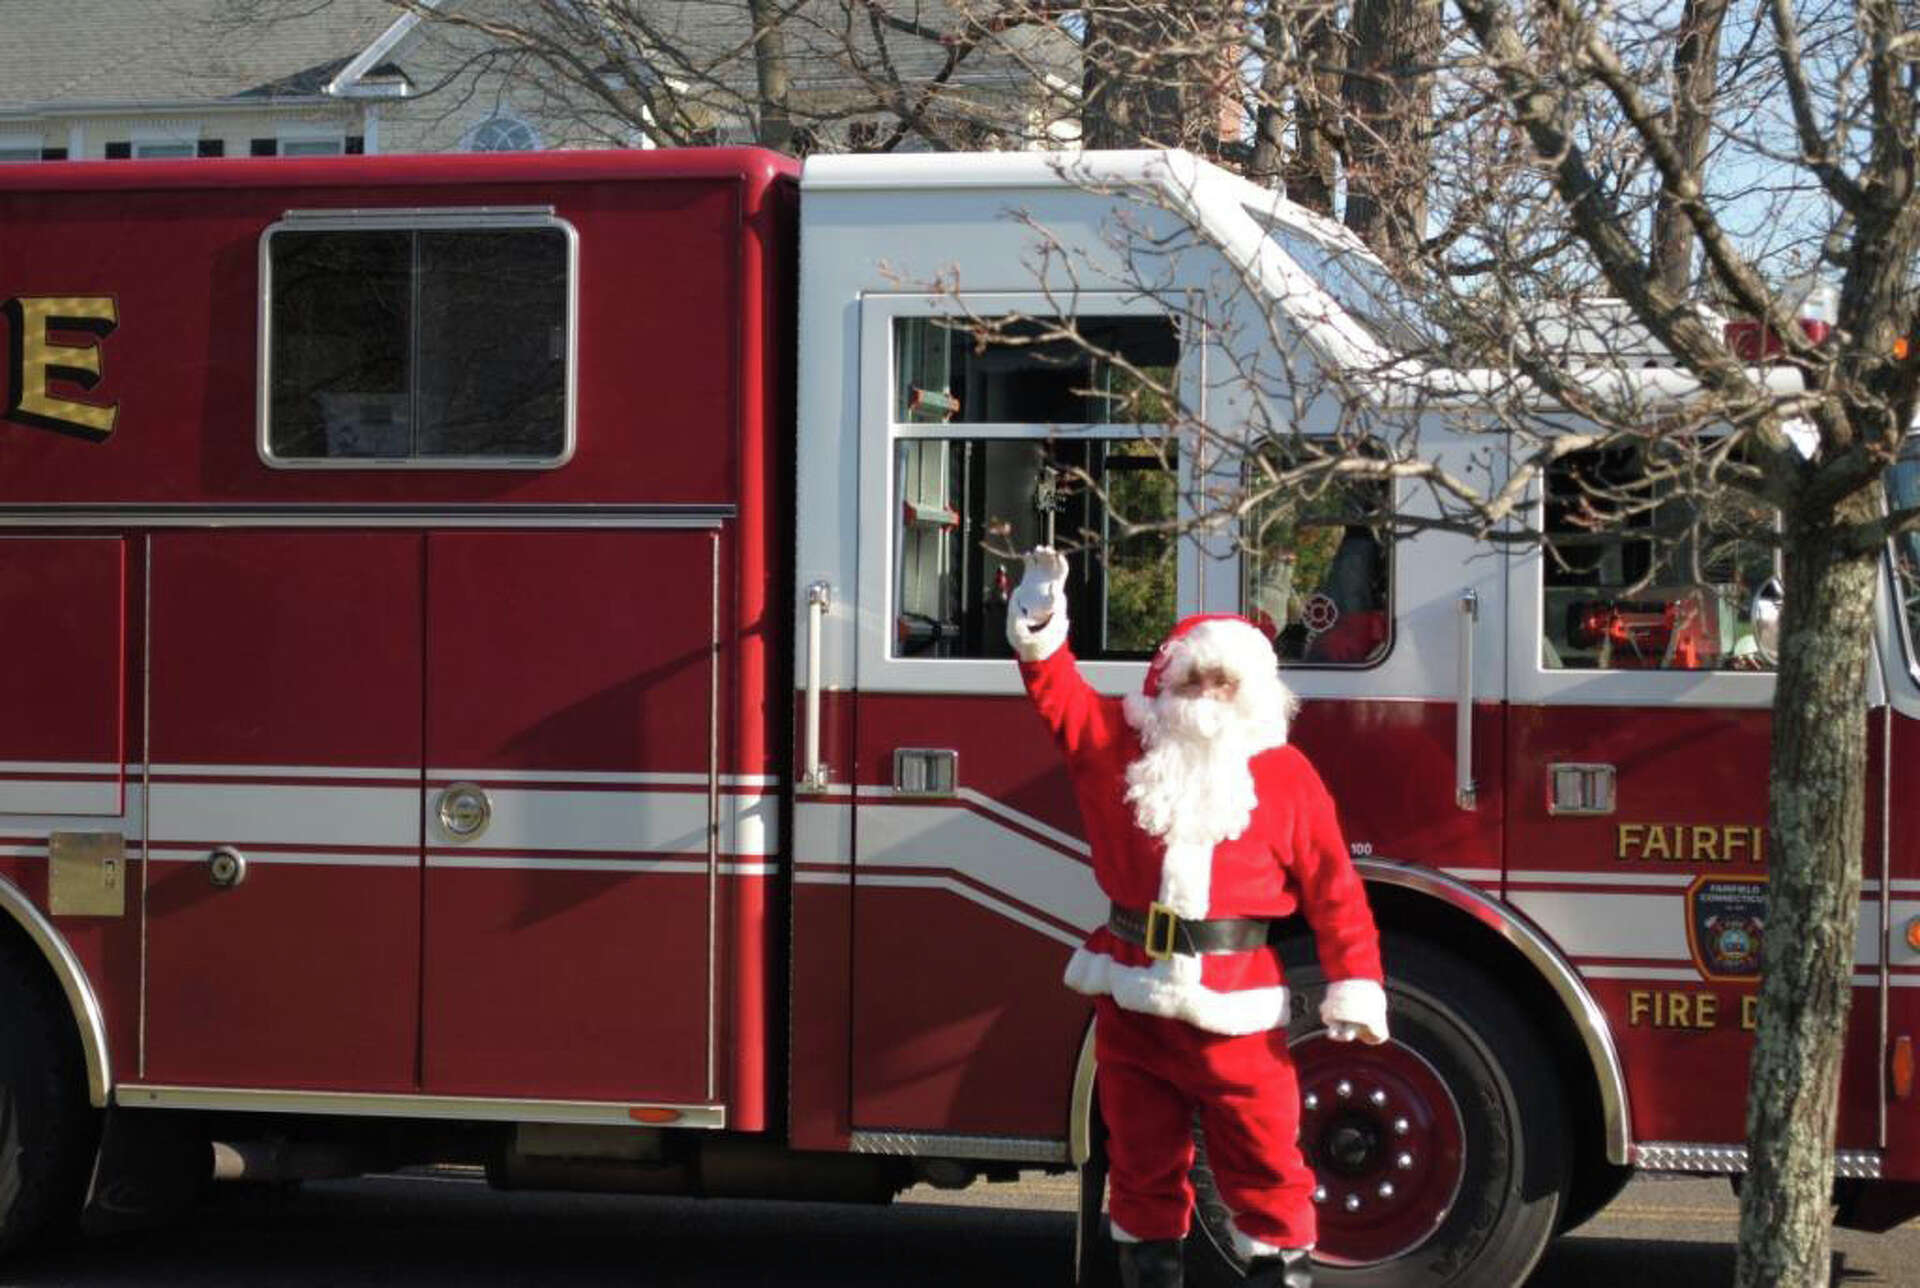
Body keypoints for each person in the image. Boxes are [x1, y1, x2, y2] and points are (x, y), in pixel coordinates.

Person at [1006, 547, 1388, 1288]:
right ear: (1163, 683)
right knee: (1140, 1167)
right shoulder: (1117, 749)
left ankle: (1280, 1273)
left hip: (1236, 1009)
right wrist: (1040, 614)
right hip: (1132, 999)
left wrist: (1356, 984)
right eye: (1193, 679)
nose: (1207, 696)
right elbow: (1056, 691)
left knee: (1266, 1163)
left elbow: (1335, 890)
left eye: (1224, 682)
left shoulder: (1286, 776)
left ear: (1252, 696)